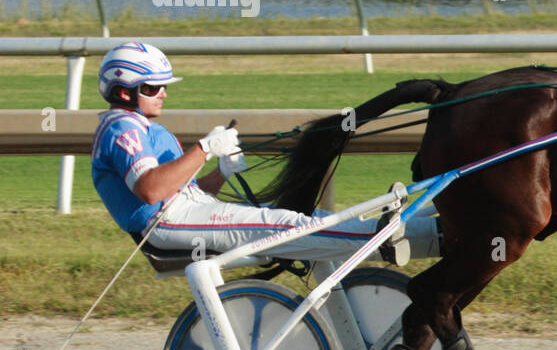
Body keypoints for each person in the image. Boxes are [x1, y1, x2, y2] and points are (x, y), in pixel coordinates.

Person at [90, 41, 438, 263]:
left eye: (164, 86)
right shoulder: (123, 129)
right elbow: (151, 190)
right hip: (165, 225)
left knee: (304, 218)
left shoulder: (144, 127)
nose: (163, 94)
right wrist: (204, 148)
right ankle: (388, 236)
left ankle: (407, 231)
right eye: (152, 88)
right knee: (286, 225)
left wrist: (220, 174)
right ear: (123, 92)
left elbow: (188, 193)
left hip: (184, 213)